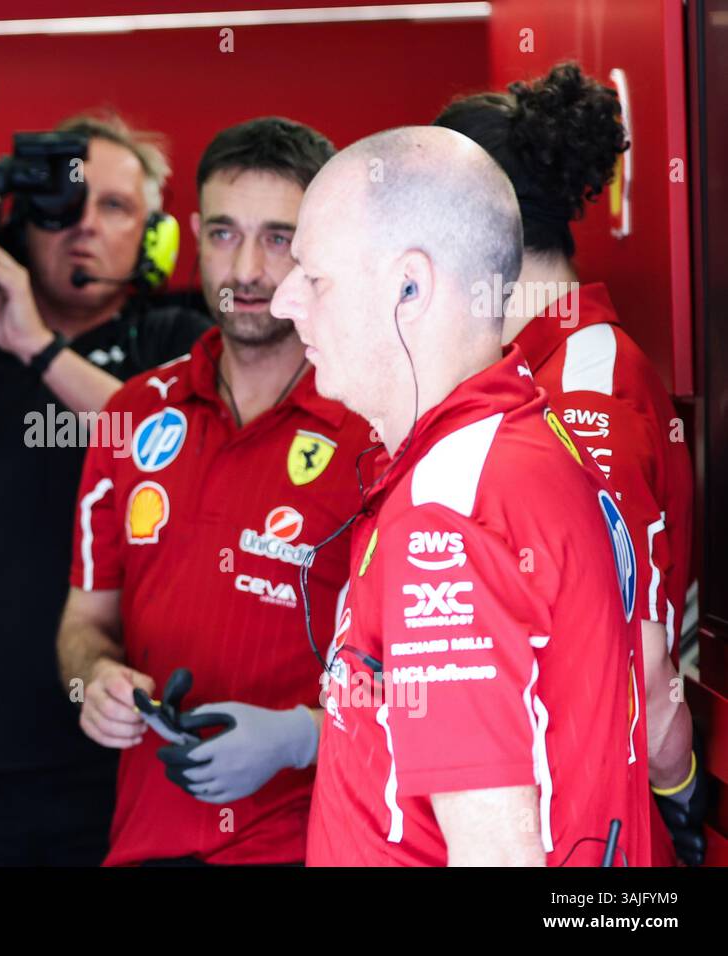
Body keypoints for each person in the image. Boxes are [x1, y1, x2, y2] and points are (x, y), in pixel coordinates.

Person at [273, 125, 651, 866]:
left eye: (314, 277)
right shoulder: (519, 446)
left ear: (409, 287)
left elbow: (497, 854)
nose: (286, 301)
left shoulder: (448, 510)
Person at [0, 112, 210, 866]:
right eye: (61, 204)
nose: (83, 226)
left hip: (117, 762)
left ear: (155, 236)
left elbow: (168, 449)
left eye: (115, 208)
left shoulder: (176, 344)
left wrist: (37, 345)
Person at [57, 117, 374, 865]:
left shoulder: (380, 428)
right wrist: (94, 680)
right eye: (227, 234)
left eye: (278, 238)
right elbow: (83, 622)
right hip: (146, 841)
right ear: (196, 233)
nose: (250, 269)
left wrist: (305, 737)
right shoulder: (133, 413)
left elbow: (437, 689)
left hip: (315, 844)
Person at [434, 62, 702, 865]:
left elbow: (644, 677)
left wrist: (680, 800)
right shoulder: (525, 374)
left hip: (586, 844)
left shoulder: (584, 392)